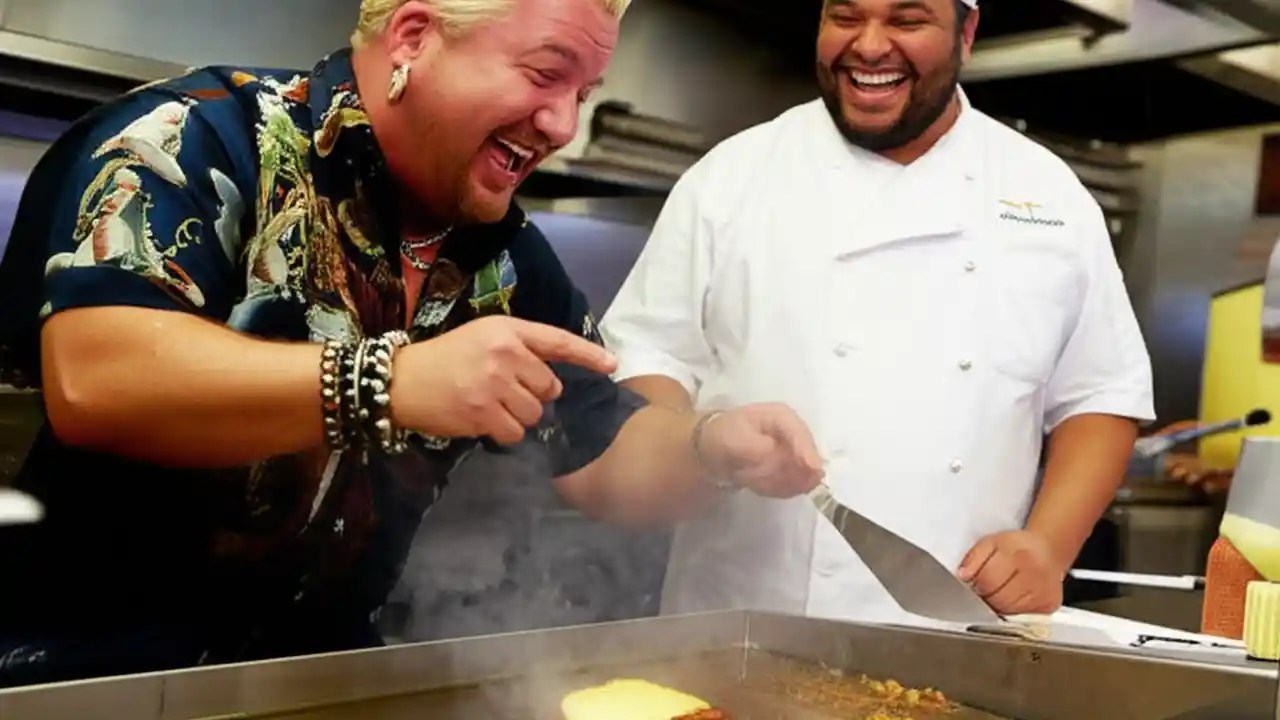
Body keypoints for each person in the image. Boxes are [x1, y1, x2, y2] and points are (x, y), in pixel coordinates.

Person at [0, 0, 825, 688]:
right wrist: (386, 379)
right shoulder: (200, 138)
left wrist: (715, 446)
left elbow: (605, 458)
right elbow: (95, 377)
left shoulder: (507, 259)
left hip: (320, 690)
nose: (563, 125)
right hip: (83, 681)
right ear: (414, 37)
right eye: (545, 76)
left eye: (585, 91)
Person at [600, 0, 1156, 627]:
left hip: (955, 625)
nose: (867, 46)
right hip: (745, 619)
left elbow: (1100, 394)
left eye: (906, 21)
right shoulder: (731, 178)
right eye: (845, 16)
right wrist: (697, 444)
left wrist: (1050, 546)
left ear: (965, 34)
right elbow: (645, 356)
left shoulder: (1047, 195)